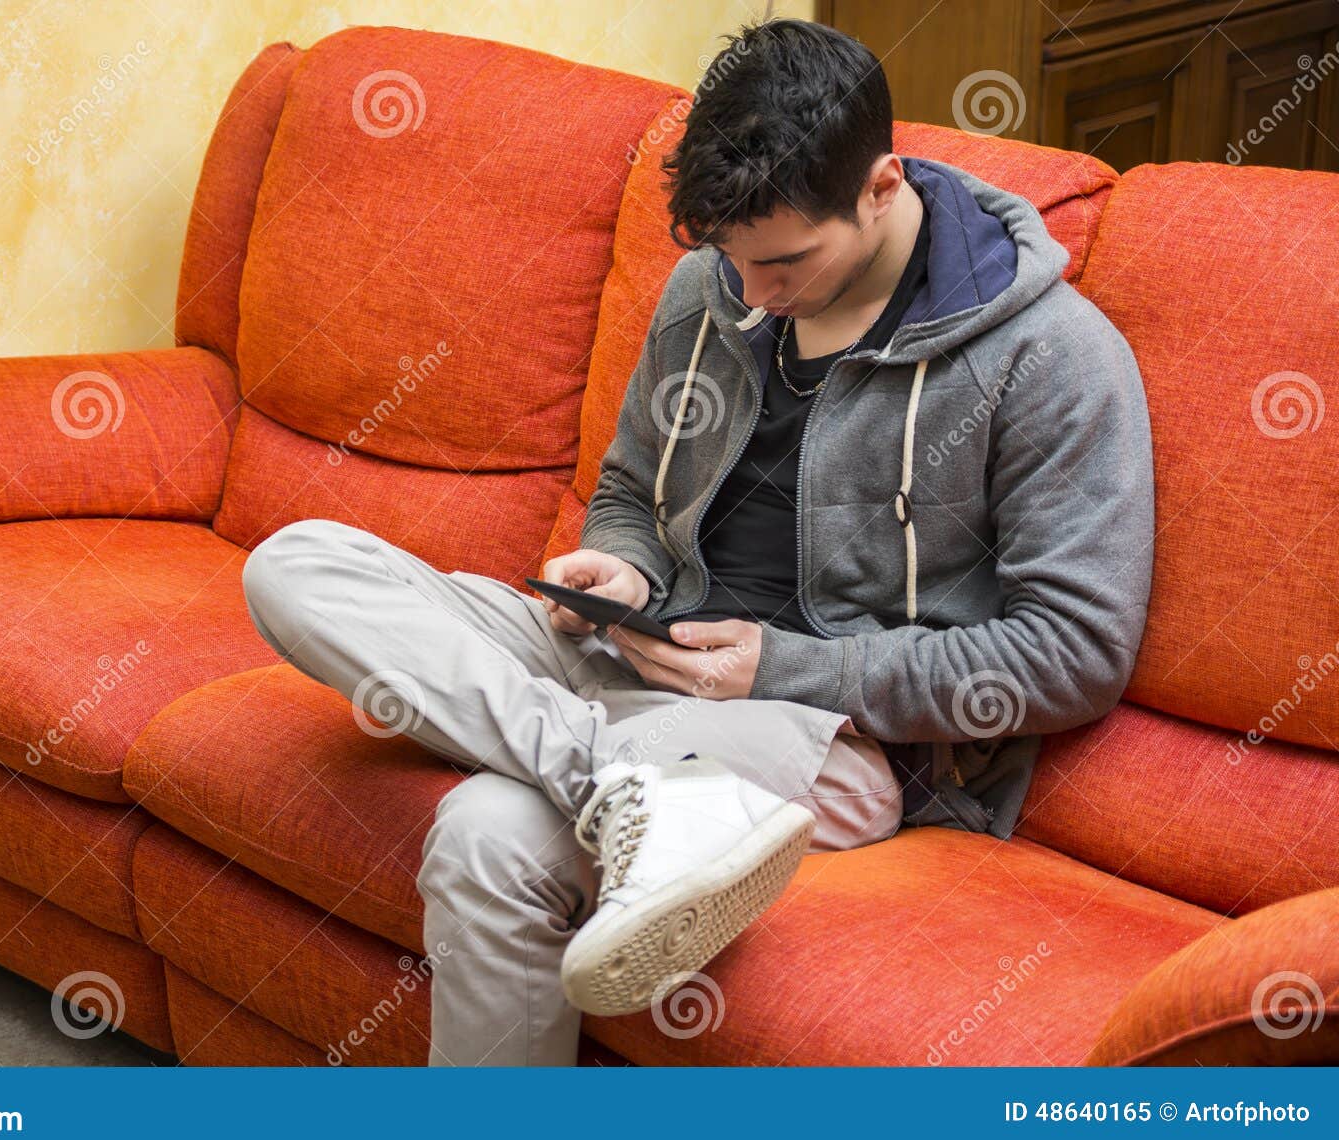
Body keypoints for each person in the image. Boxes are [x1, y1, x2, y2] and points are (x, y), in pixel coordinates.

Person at [241, 17, 1154, 1065]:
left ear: (881, 185)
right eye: (732, 261)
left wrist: (784, 662)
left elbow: (1074, 650)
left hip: (827, 733)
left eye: (786, 262)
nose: (754, 298)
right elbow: (631, 484)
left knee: (489, 834)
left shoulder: (1046, 358)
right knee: (301, 563)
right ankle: (613, 780)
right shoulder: (713, 287)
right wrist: (621, 559)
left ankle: (608, 779)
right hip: (623, 660)